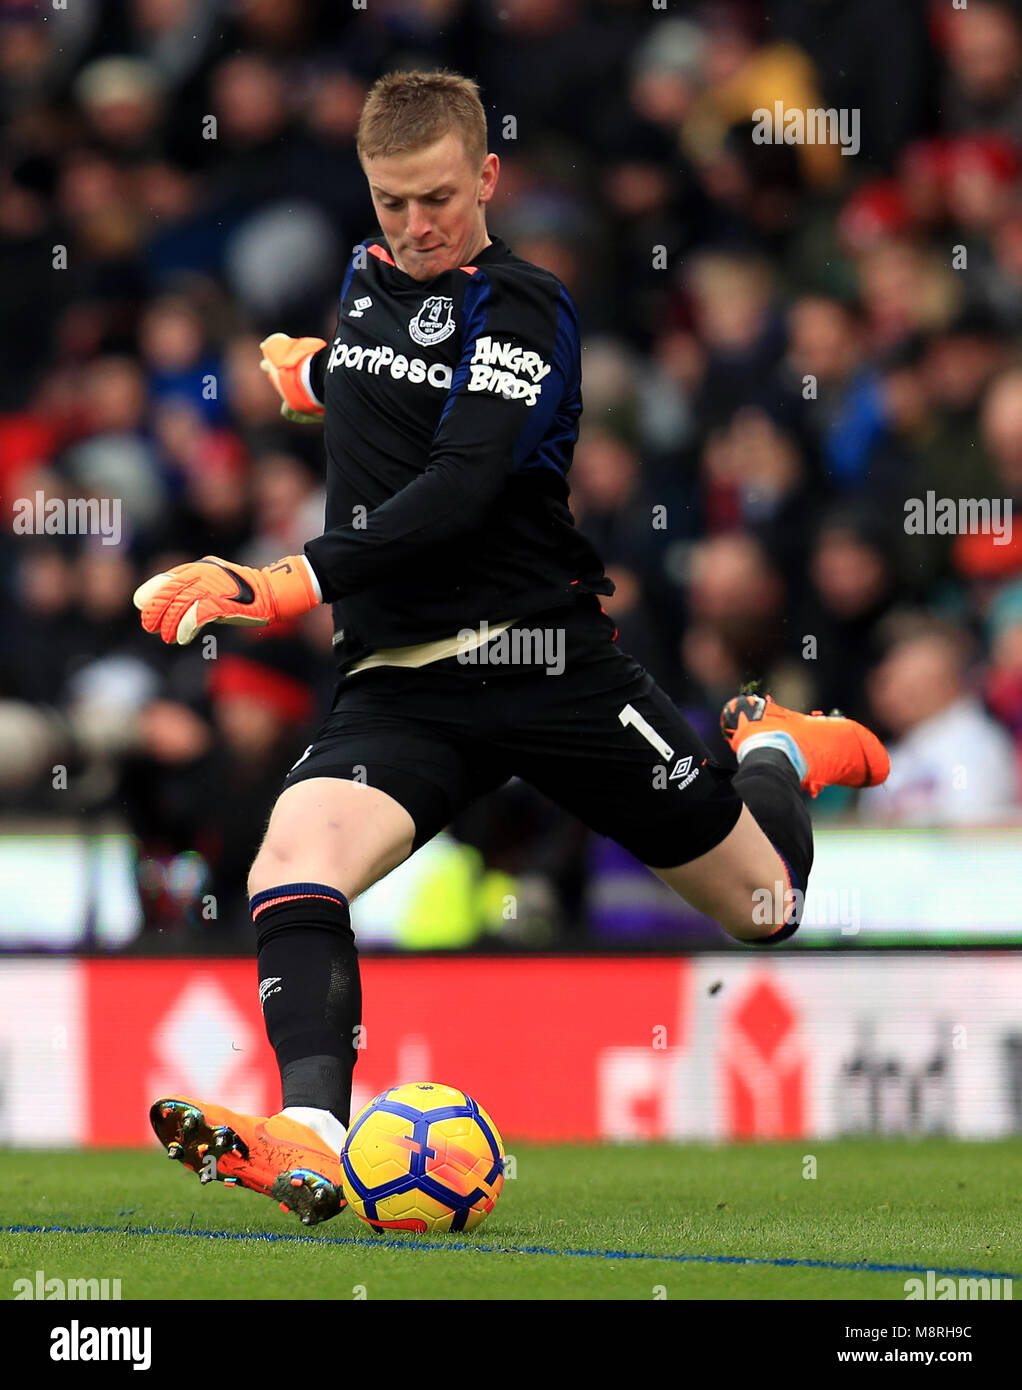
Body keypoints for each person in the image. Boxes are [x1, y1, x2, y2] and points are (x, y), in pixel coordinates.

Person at [134, 70, 889, 1226]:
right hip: (401, 682)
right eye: (390, 202)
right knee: (292, 859)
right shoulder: (364, 279)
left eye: (436, 197)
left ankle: (775, 752)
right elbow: (382, 371)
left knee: (765, 908)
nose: (415, 225)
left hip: (544, 660)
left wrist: (281, 579)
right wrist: (314, 375)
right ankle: (311, 1129)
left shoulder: (527, 308)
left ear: (486, 177)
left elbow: (461, 485)